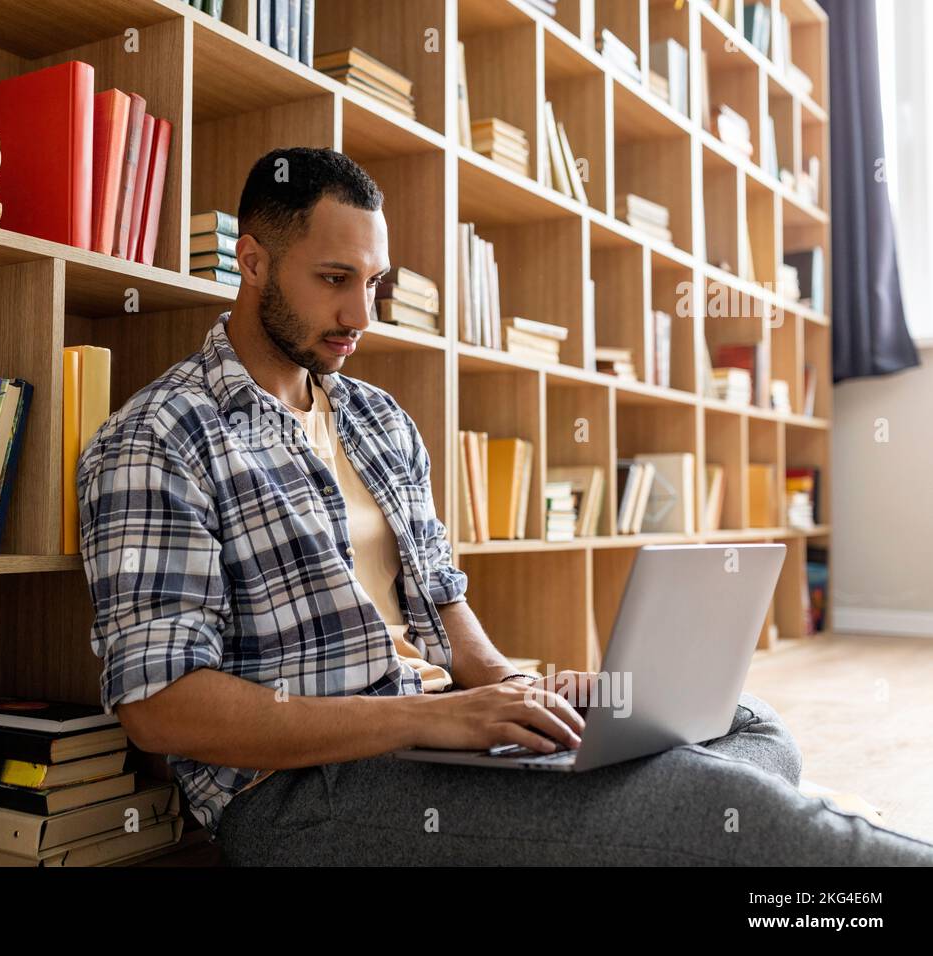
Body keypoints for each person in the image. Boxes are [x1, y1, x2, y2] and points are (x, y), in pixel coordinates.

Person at [77, 146, 933, 865]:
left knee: (740, 726)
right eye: (334, 279)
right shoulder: (158, 439)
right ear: (252, 260)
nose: (358, 315)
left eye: (373, 282)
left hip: (432, 728)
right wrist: (434, 717)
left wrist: (533, 695)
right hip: (301, 794)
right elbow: (162, 708)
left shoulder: (376, 418)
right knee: (726, 811)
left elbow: (454, 627)